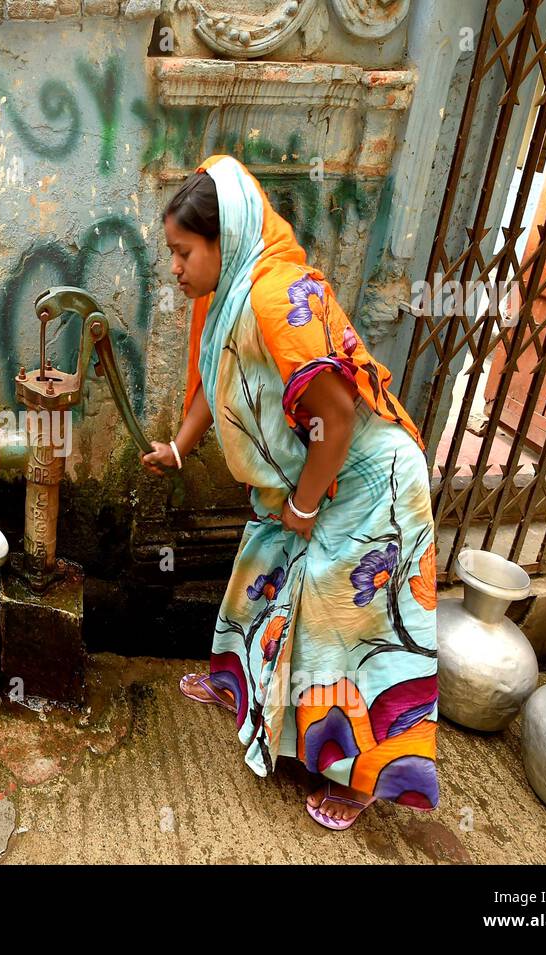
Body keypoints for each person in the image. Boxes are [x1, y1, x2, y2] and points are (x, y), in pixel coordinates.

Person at [142, 155, 439, 830]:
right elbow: (214, 384)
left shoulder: (276, 298)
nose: (176, 268)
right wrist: (179, 447)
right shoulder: (229, 298)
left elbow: (335, 419)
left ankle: (361, 776)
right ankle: (238, 684)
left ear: (226, 241)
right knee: (264, 573)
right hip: (307, 480)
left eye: (184, 253)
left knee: (349, 630)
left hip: (367, 481)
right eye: (172, 254)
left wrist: (306, 507)